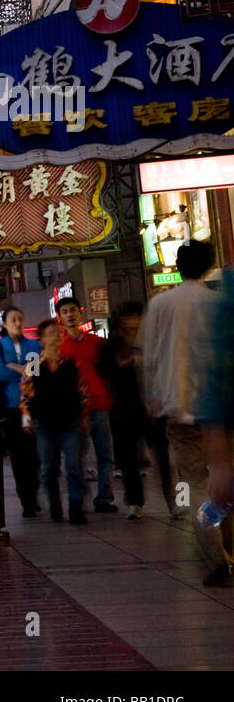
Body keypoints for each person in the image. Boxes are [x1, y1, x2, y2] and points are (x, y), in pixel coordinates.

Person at [141, 240, 233, 586]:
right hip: (221, 407)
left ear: (178, 267)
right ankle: (230, 546)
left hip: (177, 408)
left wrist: (152, 398)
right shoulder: (218, 301)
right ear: (210, 264)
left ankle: (213, 555)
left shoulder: (161, 303)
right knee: (229, 476)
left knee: (196, 481)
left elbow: (149, 357)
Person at [108, 302, 177, 521]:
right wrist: (125, 362)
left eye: (137, 317)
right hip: (125, 409)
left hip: (157, 408)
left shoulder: (154, 341)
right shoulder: (114, 345)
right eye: (129, 317)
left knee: (167, 458)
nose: (133, 322)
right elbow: (106, 371)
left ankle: (177, 502)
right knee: (129, 460)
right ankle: (135, 503)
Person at [22, 318, 91, 524]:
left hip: (71, 422)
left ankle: (76, 506)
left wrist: (84, 416)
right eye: (51, 333)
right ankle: (54, 505)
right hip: (44, 423)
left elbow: (82, 391)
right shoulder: (34, 362)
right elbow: (26, 392)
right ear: (41, 339)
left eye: (59, 333)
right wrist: (26, 418)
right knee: (48, 468)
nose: (56, 337)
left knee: (73, 466)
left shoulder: (70, 363)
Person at [57, 296, 118, 513]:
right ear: (59, 317)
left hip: (99, 403)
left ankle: (104, 498)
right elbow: (34, 371)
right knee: (75, 459)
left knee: (105, 455)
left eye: (72, 310)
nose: (69, 315)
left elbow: (110, 372)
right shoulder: (56, 346)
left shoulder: (98, 343)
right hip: (72, 409)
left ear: (80, 312)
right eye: (64, 312)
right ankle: (78, 500)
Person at [0, 308, 43, 518]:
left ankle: (33, 493)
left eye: (21, 319)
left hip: (31, 405)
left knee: (35, 456)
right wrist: (22, 370)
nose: (18, 323)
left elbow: (35, 372)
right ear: (4, 324)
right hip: (9, 407)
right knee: (19, 456)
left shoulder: (33, 344)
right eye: (13, 320)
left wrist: (13, 366)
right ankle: (26, 501)